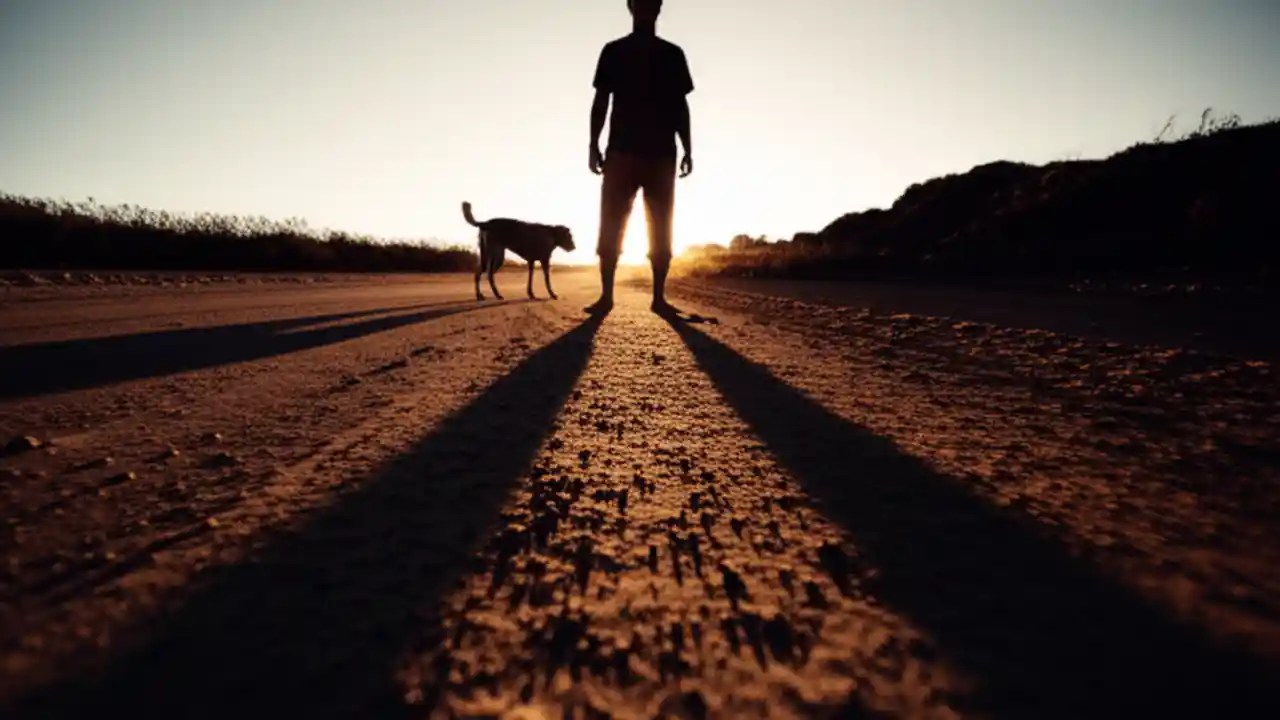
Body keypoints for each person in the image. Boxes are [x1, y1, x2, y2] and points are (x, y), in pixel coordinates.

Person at [586, 0, 694, 315]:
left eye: (652, 4)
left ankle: (659, 298)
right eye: (641, 4)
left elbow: (681, 106)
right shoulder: (614, 51)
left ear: (659, 9)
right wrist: (593, 143)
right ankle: (606, 296)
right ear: (631, 7)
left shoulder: (672, 55)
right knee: (611, 223)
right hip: (621, 152)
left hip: (661, 154)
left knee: (661, 226)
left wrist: (688, 147)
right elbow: (600, 100)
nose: (647, 10)